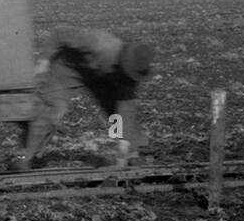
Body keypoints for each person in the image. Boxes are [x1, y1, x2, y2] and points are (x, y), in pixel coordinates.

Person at [20, 25, 154, 167]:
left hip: (101, 79)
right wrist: (44, 60)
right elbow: (59, 33)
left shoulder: (130, 74)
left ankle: (132, 155)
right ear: (121, 62)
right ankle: (27, 157)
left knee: (117, 112)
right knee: (51, 110)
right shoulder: (99, 42)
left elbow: (125, 111)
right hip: (68, 69)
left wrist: (124, 144)